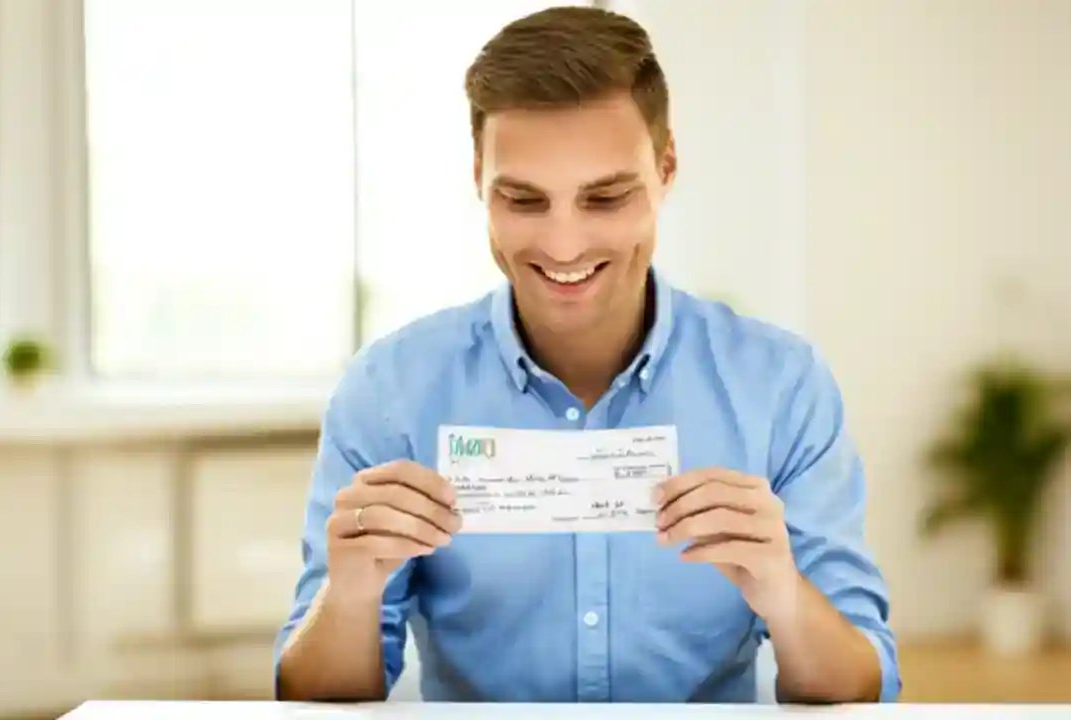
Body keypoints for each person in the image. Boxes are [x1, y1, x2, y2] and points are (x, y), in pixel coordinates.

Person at [275, 6, 899, 704]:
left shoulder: (782, 387)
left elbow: (860, 687)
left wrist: (782, 591)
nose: (563, 245)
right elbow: (312, 697)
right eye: (523, 200)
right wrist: (350, 592)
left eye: (605, 198)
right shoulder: (389, 391)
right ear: (478, 177)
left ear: (666, 168)